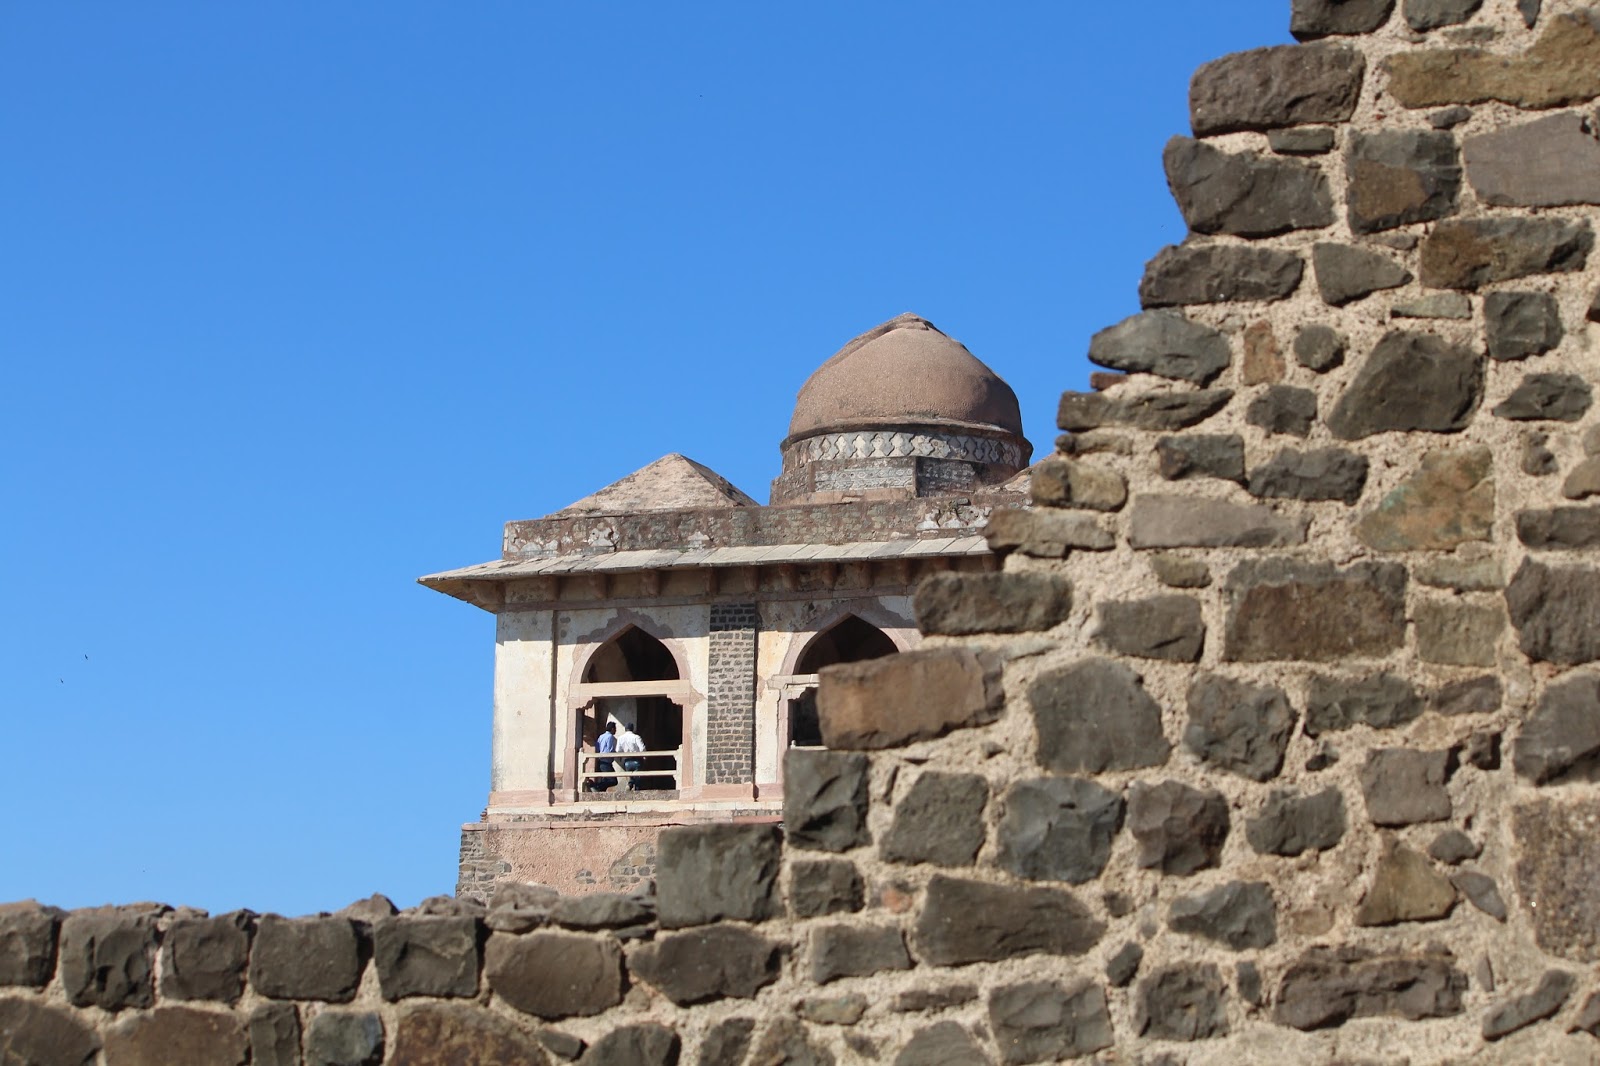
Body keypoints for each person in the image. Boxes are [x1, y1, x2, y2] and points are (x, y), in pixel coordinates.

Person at [615, 722, 646, 790]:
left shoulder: (620, 738)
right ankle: (636, 790)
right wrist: (644, 757)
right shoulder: (636, 737)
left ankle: (630, 784)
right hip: (637, 760)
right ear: (633, 729)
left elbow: (618, 750)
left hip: (626, 761)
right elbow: (642, 748)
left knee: (630, 775)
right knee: (637, 777)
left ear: (625, 729)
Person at [590, 721, 617, 792]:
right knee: (613, 780)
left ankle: (598, 788)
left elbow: (597, 747)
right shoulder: (610, 737)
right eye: (615, 729)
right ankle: (596, 786)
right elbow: (610, 749)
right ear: (612, 729)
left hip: (600, 760)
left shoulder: (601, 736)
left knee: (606, 779)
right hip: (606, 761)